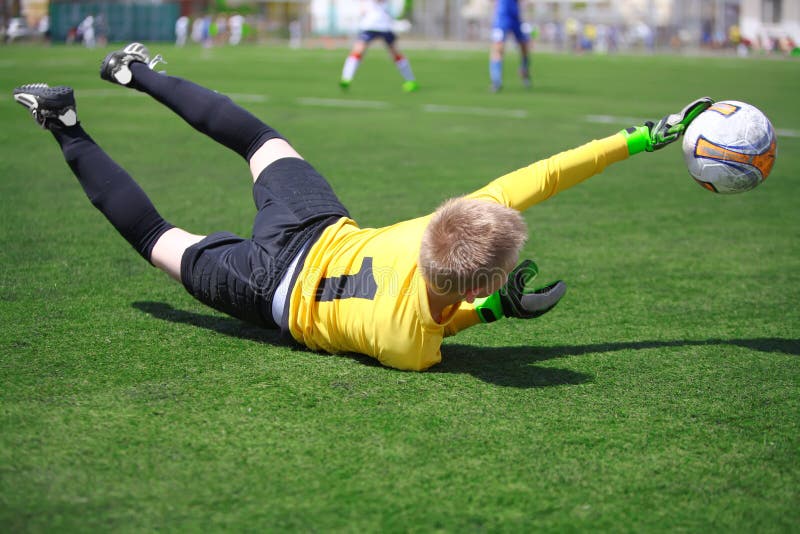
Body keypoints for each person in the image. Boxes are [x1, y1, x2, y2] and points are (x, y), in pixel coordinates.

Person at [12, 43, 712, 371]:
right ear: (483, 277)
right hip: (272, 294)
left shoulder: (449, 220)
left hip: (314, 223)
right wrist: (493, 311)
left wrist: (648, 135)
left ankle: (135, 73)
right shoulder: (411, 348)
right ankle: (65, 124)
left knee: (256, 139)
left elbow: (552, 172)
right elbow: (446, 322)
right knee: (157, 236)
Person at [340, 0, 418, 92]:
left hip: (384, 25)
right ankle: (346, 78)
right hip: (369, 25)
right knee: (358, 50)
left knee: (395, 52)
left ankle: (411, 80)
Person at [489, 0, 532, 92]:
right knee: (498, 48)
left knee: (524, 46)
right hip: (501, 18)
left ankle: (524, 70)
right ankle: (496, 81)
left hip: (515, 18)